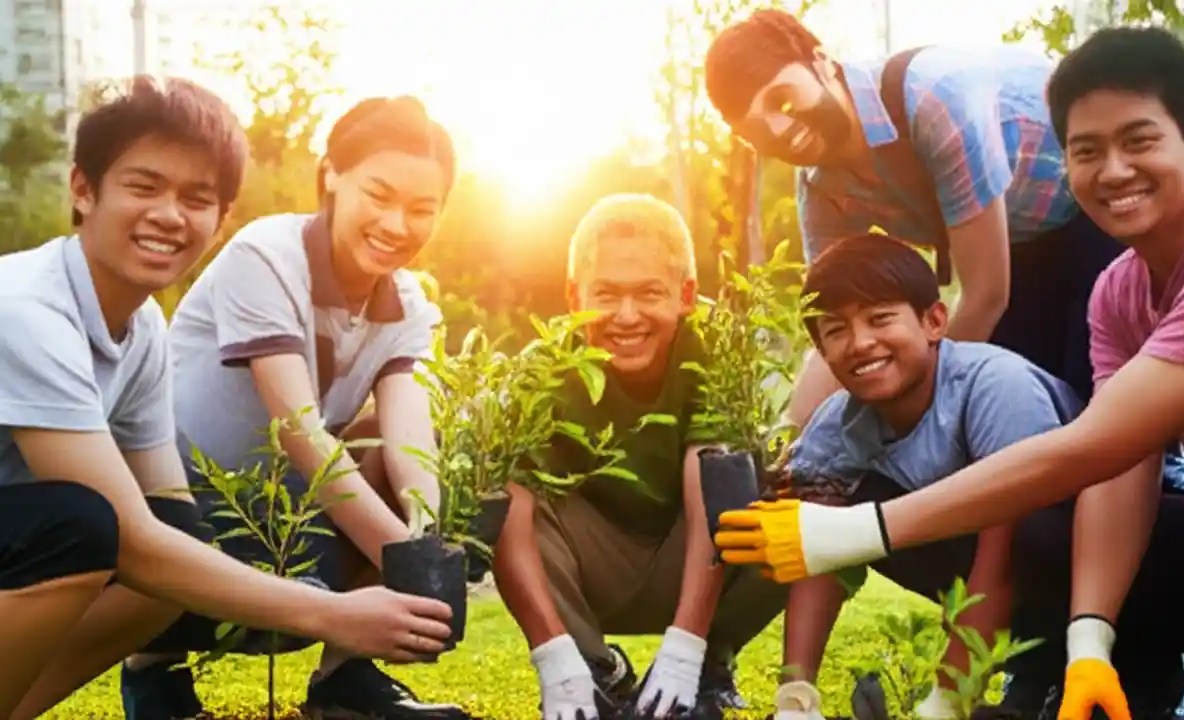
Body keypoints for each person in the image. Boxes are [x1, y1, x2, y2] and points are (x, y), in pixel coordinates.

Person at [714, 26, 1184, 720]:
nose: (1113, 171)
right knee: (1055, 513)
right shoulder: (1122, 294)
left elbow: (1077, 426)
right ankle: (1096, 674)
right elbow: (1116, 464)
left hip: (1062, 268)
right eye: (1086, 151)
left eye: (1138, 141)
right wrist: (1089, 643)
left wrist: (853, 528)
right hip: (1056, 284)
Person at [0, 76, 454, 720]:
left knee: (163, 532)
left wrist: (422, 542)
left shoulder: (143, 326)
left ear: (220, 217)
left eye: (196, 198)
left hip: (69, 532)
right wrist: (339, 609)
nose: (169, 215)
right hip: (78, 527)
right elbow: (133, 540)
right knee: (84, 524)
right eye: (144, 186)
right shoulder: (26, 308)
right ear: (83, 188)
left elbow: (167, 519)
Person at [118, 95, 468, 720]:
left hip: (284, 505)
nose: (396, 225)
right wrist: (406, 567)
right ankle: (153, 668)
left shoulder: (409, 305)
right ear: (332, 173)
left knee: (380, 444)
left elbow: (411, 440)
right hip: (182, 503)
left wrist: (425, 540)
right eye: (379, 195)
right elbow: (298, 433)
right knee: (270, 540)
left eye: (422, 209)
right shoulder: (267, 256)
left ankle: (345, 680)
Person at [703, 7, 1122, 415]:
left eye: (784, 101)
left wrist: (917, 418)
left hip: (1096, 211)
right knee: (1030, 412)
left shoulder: (932, 99)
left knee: (1101, 404)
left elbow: (985, 296)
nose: (779, 131)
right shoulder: (820, 190)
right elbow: (834, 325)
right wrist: (791, 445)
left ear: (822, 62)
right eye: (755, 131)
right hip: (1016, 245)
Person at [490, 194, 788, 720]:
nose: (626, 316)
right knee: (508, 496)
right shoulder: (543, 368)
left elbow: (712, 490)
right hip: (591, 567)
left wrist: (685, 648)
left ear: (686, 295)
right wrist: (551, 656)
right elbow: (508, 506)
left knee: (790, 501)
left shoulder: (714, 352)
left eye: (650, 292)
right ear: (572, 296)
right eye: (605, 294)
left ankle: (708, 666)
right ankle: (587, 668)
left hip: (695, 558)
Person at [764, 232, 1086, 719]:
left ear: (935, 321)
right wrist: (795, 697)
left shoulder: (996, 386)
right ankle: (1036, 673)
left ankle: (1141, 669)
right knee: (833, 507)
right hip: (999, 563)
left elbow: (1006, 555)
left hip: (1115, 554)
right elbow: (818, 551)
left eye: (879, 319)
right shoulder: (840, 423)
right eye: (836, 330)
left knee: (1027, 531)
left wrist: (947, 704)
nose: (861, 342)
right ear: (823, 355)